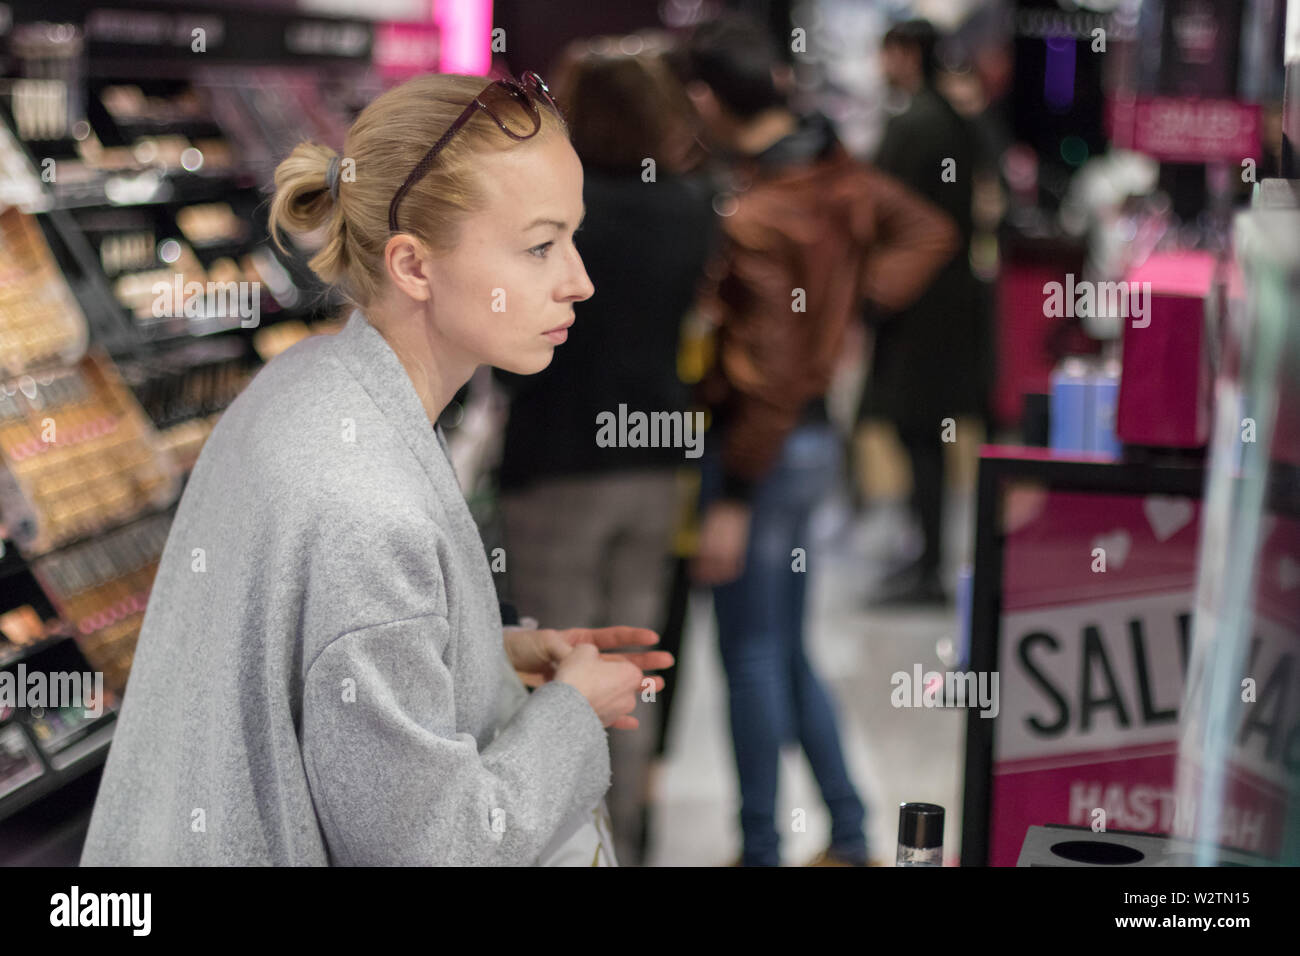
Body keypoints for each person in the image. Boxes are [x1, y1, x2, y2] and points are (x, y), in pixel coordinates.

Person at [79, 71, 672, 866]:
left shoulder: (305, 383)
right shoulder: (370, 507)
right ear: (414, 266)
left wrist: (475, 653)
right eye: (539, 246)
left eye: (571, 237)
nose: (579, 280)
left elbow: (315, 664)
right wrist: (572, 710)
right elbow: (433, 847)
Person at [672, 14, 958, 866]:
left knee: (751, 659)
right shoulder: (836, 176)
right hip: (812, 443)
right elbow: (930, 231)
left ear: (707, 98)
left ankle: (763, 847)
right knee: (781, 649)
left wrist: (732, 495)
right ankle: (850, 831)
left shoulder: (760, 211)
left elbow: (764, 377)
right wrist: (853, 307)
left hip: (763, 451)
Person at [493, 35, 719, 866]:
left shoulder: (560, 220)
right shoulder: (691, 205)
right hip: (658, 455)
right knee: (634, 669)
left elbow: (526, 349)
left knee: (559, 668)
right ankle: (630, 842)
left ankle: (570, 846)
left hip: (560, 460)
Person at [857, 18, 991, 605]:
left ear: (906, 53)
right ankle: (926, 555)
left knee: (921, 434)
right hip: (940, 305)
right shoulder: (948, 117)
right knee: (924, 435)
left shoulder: (917, 122)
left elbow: (889, 215)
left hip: (919, 311)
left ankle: (929, 564)